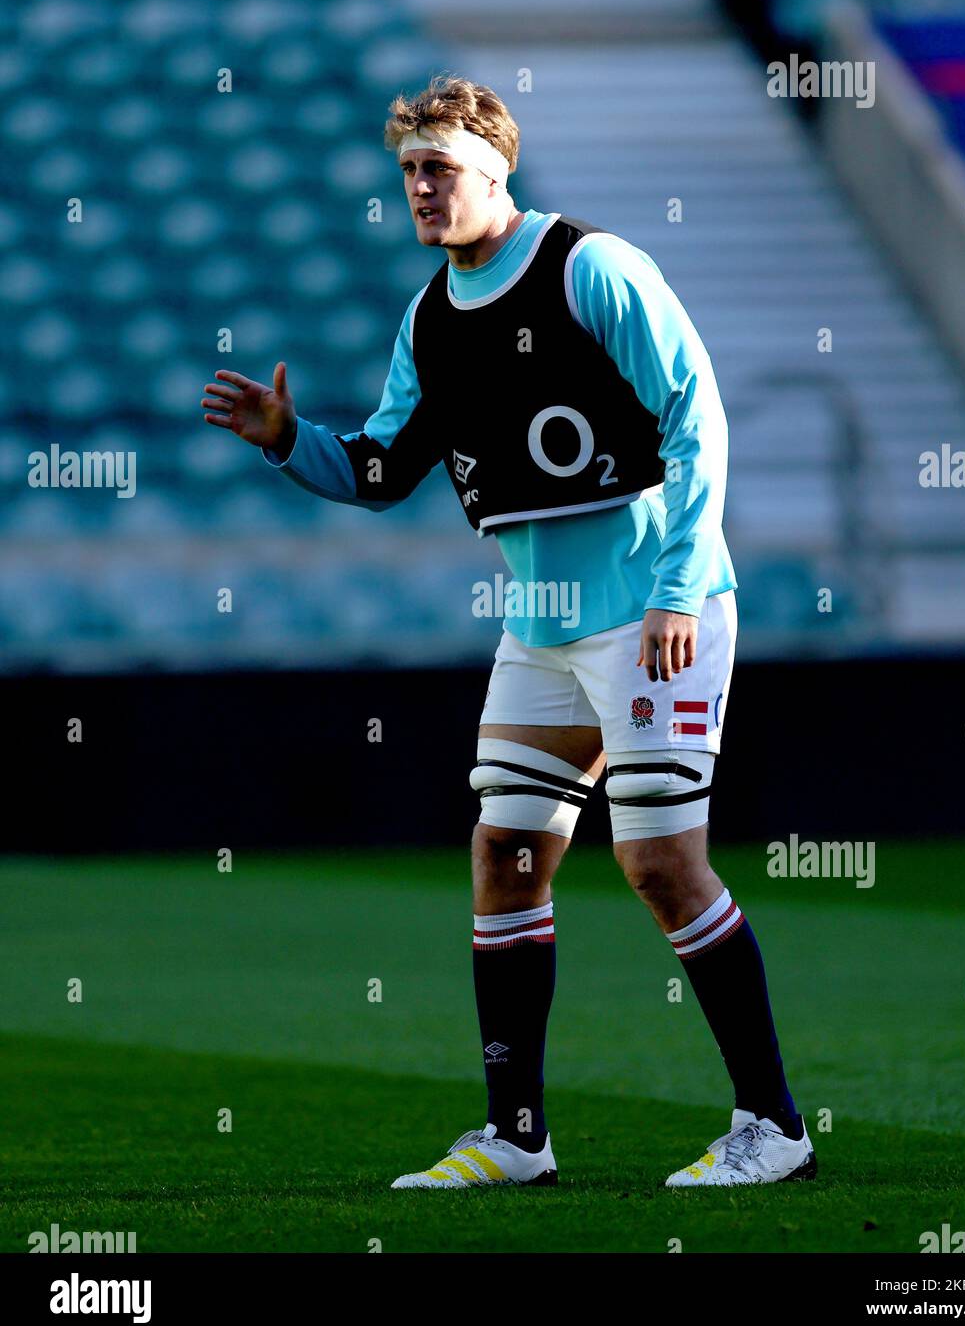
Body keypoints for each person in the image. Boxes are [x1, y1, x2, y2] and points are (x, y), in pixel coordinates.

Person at [201, 73, 815, 1189]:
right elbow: (383, 470)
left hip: (649, 611)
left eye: (437, 167)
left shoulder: (594, 268)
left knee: (660, 863)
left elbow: (697, 417)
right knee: (505, 854)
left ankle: (774, 1124)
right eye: (408, 173)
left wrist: (680, 587)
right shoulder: (431, 319)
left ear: (495, 167)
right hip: (537, 629)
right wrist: (291, 437)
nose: (421, 189)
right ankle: (516, 1135)